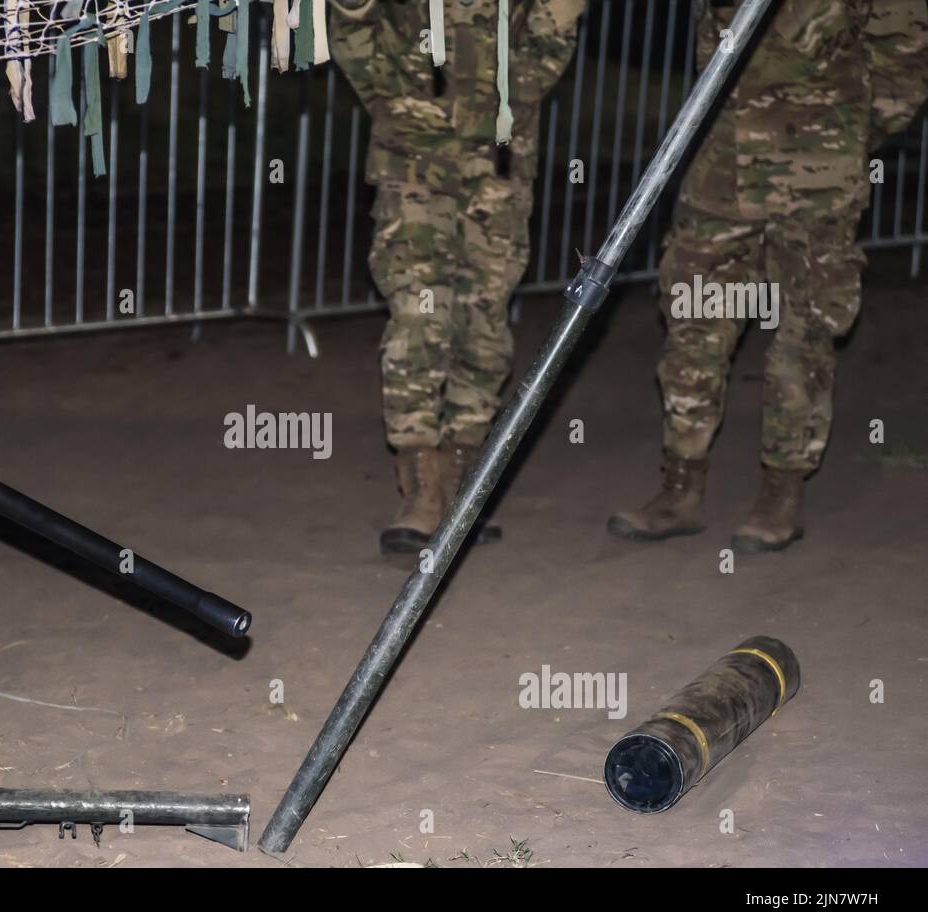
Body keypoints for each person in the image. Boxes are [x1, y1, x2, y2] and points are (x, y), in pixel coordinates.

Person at [608, 0, 928, 552]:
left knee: (804, 328)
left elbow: (905, 48)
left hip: (817, 167)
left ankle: (782, 492)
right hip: (720, 161)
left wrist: (850, 128)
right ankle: (680, 486)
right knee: (694, 316)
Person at [329, 0, 585, 553]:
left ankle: (468, 475)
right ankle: (421, 485)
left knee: (483, 322)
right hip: (412, 167)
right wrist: (399, 103)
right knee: (418, 316)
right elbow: (352, 37)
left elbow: (544, 57)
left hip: (498, 166)